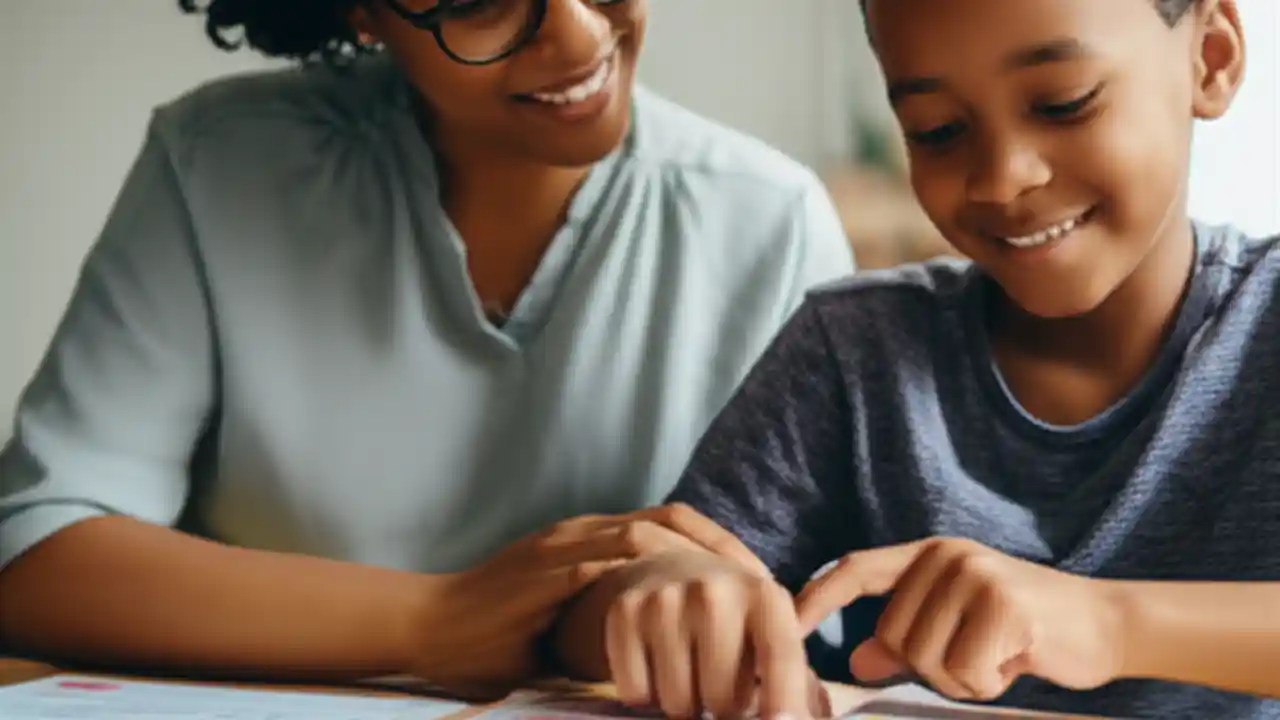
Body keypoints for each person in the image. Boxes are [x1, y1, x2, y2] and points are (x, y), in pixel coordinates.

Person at [0, 0, 854, 690]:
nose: (577, 34)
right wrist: (434, 621)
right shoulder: (218, 165)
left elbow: (810, 623)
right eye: (480, 2)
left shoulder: (772, 224)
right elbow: (37, 556)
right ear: (362, 11)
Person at [555, 0, 1280, 718]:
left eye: (1064, 103)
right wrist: (658, 593)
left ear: (1210, 57)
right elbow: (609, 604)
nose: (1002, 178)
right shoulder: (856, 351)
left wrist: (1107, 624)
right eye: (938, 131)